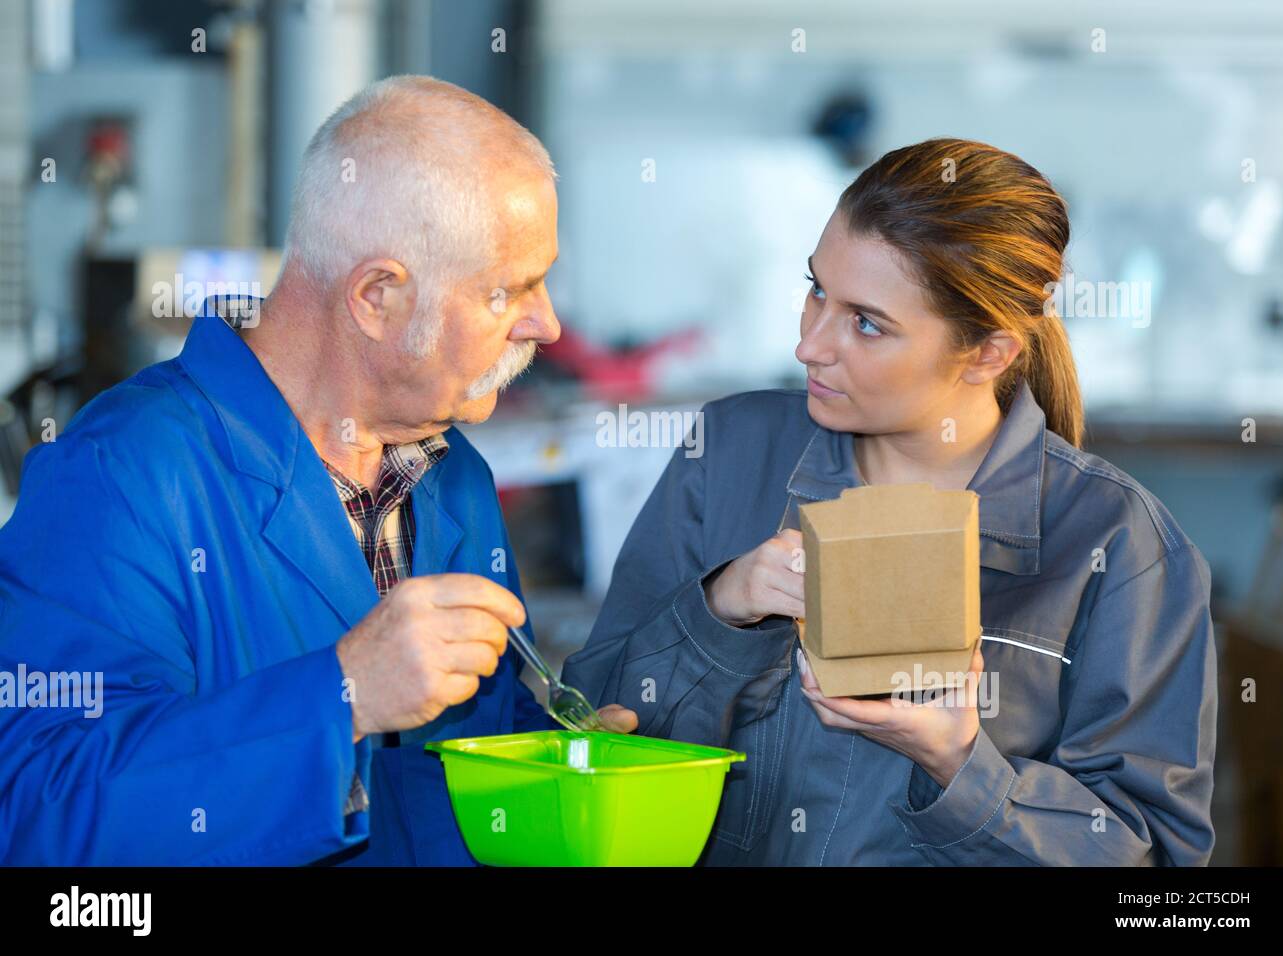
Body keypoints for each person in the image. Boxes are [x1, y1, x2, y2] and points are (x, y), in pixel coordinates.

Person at [0, 75, 635, 866]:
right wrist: (343, 697)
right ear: (376, 298)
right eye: (510, 291)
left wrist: (550, 771)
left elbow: (448, 766)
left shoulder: (451, 473)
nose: (547, 324)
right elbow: (41, 811)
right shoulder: (122, 476)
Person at [563, 138, 1217, 866]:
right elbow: (588, 733)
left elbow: (1157, 866)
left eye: (866, 322)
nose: (809, 344)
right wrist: (721, 610)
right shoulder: (727, 453)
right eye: (815, 291)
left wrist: (963, 767)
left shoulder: (1120, 546)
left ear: (987, 353)